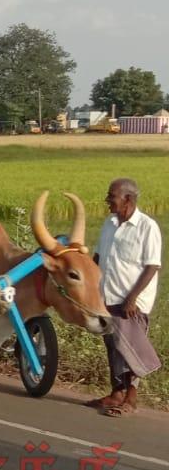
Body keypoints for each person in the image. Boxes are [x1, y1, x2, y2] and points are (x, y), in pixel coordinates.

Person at [90, 178, 162, 417]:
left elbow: (152, 266)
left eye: (112, 196)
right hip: (108, 295)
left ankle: (131, 399)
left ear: (128, 199)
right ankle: (116, 393)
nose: (108, 201)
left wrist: (132, 298)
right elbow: (98, 258)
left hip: (131, 301)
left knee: (130, 347)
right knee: (113, 347)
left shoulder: (147, 227)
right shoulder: (109, 224)